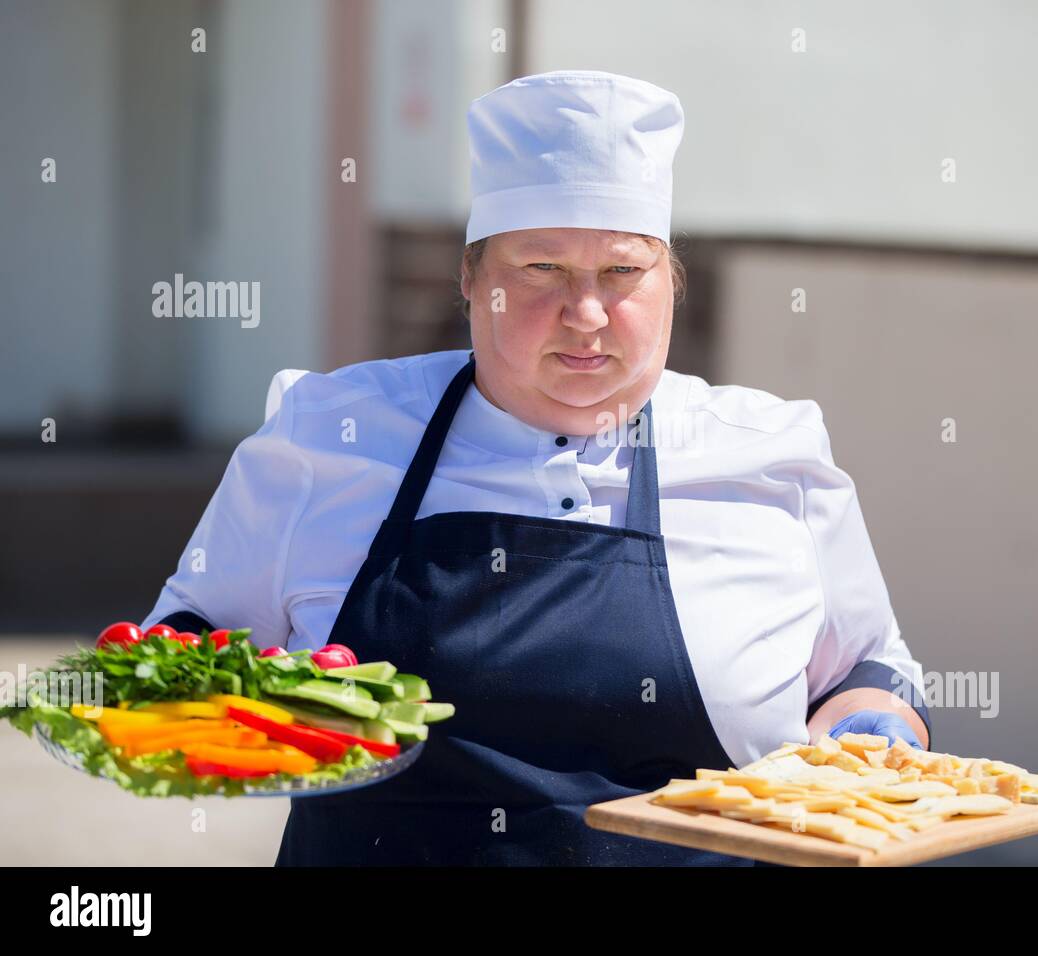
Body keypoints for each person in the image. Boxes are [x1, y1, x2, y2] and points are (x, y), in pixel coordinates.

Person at [142, 70, 930, 865]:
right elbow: (184, 650)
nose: (586, 315)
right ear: (470, 281)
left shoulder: (771, 454)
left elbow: (866, 666)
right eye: (541, 270)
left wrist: (875, 720)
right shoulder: (327, 439)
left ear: (671, 284)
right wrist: (206, 714)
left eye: (623, 272)